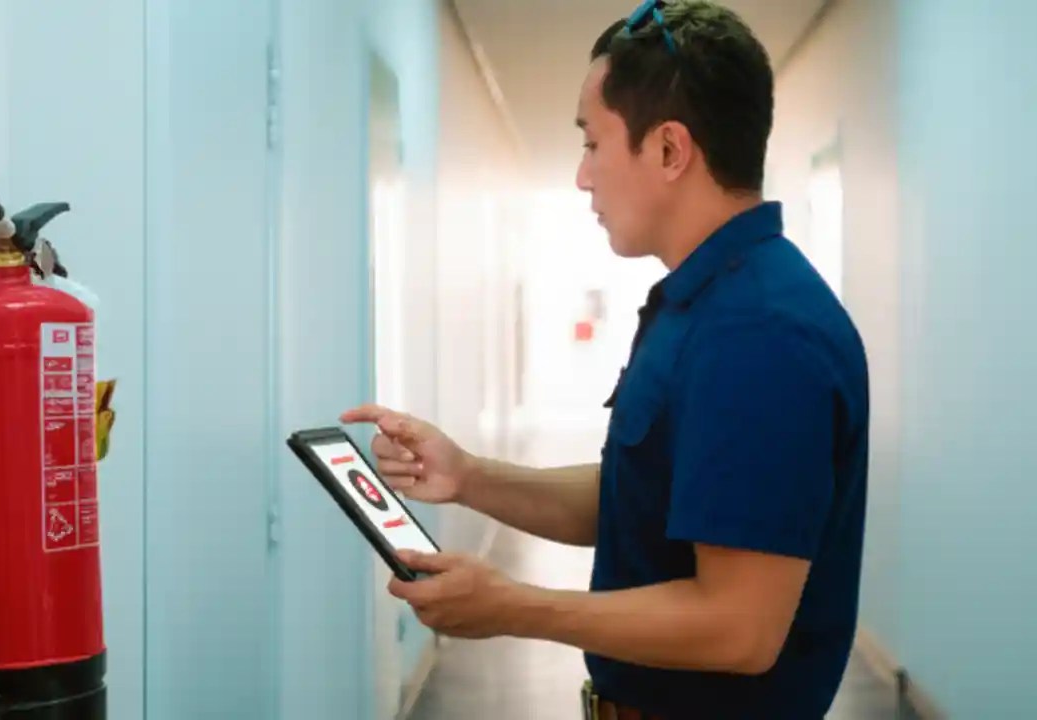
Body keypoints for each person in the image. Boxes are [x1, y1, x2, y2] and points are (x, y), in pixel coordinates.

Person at [341, 1, 870, 717]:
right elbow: (643, 501)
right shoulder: (702, 304)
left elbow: (738, 628)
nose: (583, 177)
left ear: (669, 150)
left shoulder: (760, 333)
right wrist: (468, 477)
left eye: (592, 143)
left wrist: (513, 606)